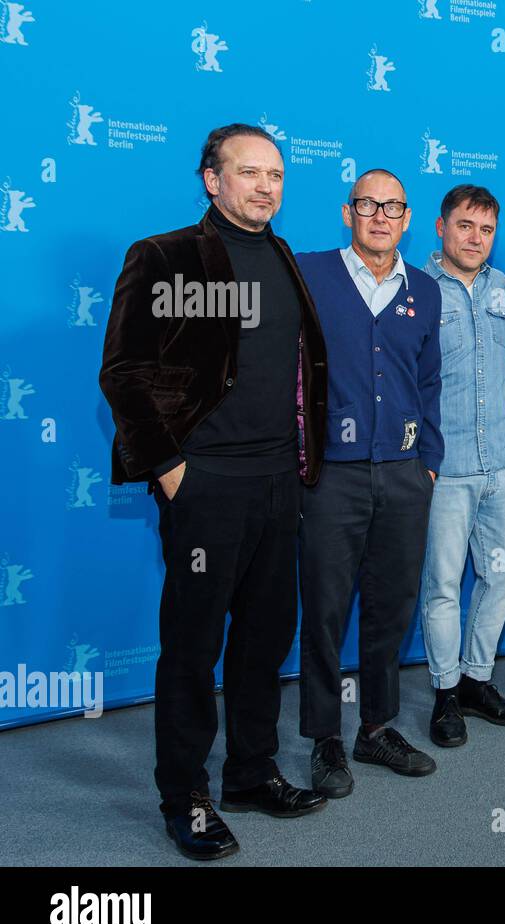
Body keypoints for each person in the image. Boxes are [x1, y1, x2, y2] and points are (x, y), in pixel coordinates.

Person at [98, 123, 328, 861]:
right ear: (211, 178)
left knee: (265, 641)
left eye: (277, 175)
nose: (266, 186)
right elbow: (124, 374)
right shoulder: (165, 256)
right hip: (205, 485)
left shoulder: (286, 256)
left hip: (276, 482)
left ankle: (252, 774)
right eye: (250, 172)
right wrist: (172, 473)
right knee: (193, 650)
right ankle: (185, 798)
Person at [295, 170, 442, 795]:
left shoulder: (426, 291)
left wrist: (429, 461)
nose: (380, 216)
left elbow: (430, 381)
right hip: (333, 477)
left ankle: (376, 727)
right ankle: (325, 738)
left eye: (392, 207)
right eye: (367, 205)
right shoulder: (309, 275)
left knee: (391, 607)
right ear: (347, 212)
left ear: (407, 219)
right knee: (325, 610)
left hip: (405, 476)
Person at [419, 184, 505, 748]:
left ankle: (474, 679)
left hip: (503, 466)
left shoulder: (503, 288)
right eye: (465, 226)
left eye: (486, 229)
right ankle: (443, 696)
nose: (476, 238)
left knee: (504, 575)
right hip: (447, 469)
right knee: (442, 585)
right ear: (442, 227)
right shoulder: (415, 289)